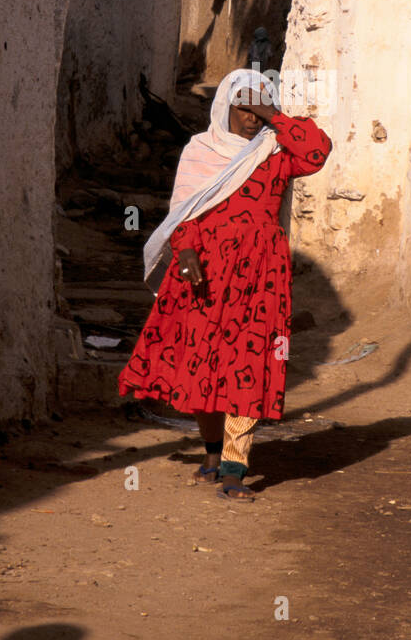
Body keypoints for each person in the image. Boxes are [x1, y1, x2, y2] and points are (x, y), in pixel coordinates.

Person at [118, 68, 332, 501]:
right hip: (206, 274)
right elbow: (184, 213)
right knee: (204, 360)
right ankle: (212, 454)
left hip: (260, 275)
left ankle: (236, 467)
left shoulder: (275, 152)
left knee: (247, 363)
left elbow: (317, 152)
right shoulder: (200, 151)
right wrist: (187, 252)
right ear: (225, 107)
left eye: (258, 108)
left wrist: (275, 115)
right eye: (244, 107)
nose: (251, 118)